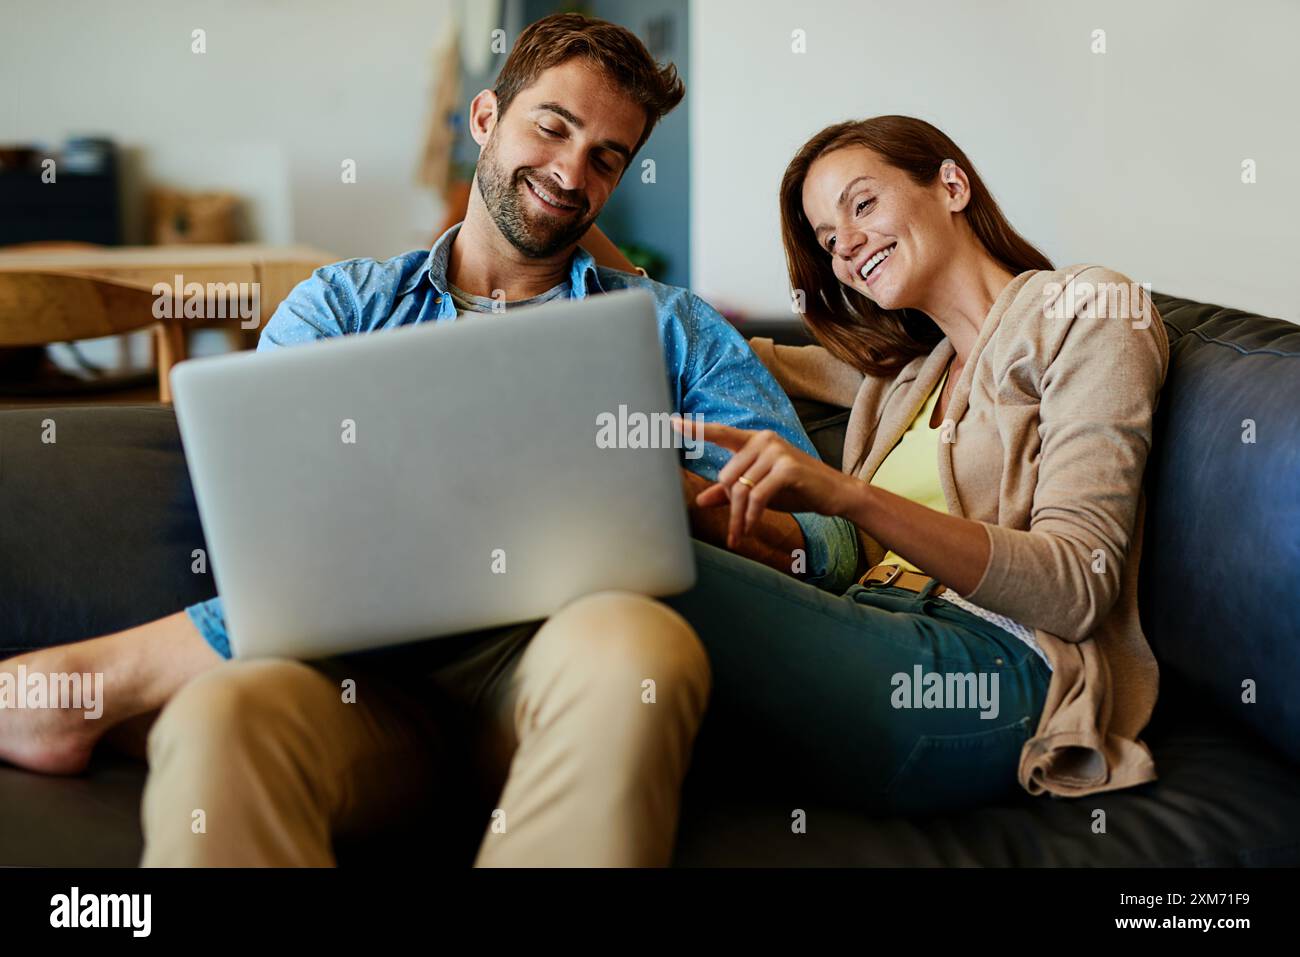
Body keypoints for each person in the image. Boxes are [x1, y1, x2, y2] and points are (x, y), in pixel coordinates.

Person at [0, 14, 857, 866]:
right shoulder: (342, 308)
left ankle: (108, 679)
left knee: (642, 646)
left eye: (606, 158)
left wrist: (681, 498)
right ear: (485, 120)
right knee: (220, 714)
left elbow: (828, 543)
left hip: (561, 667)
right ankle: (120, 681)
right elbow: (269, 529)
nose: (570, 172)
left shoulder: (677, 333)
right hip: (356, 680)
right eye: (552, 127)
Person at [663, 114, 1168, 814]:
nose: (848, 247)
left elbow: (1079, 583)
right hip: (871, 625)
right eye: (829, 240)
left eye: (862, 205)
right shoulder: (904, 377)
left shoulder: (1085, 313)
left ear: (952, 184)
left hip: (995, 668)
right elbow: (704, 341)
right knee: (628, 575)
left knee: (640, 561)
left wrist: (851, 498)